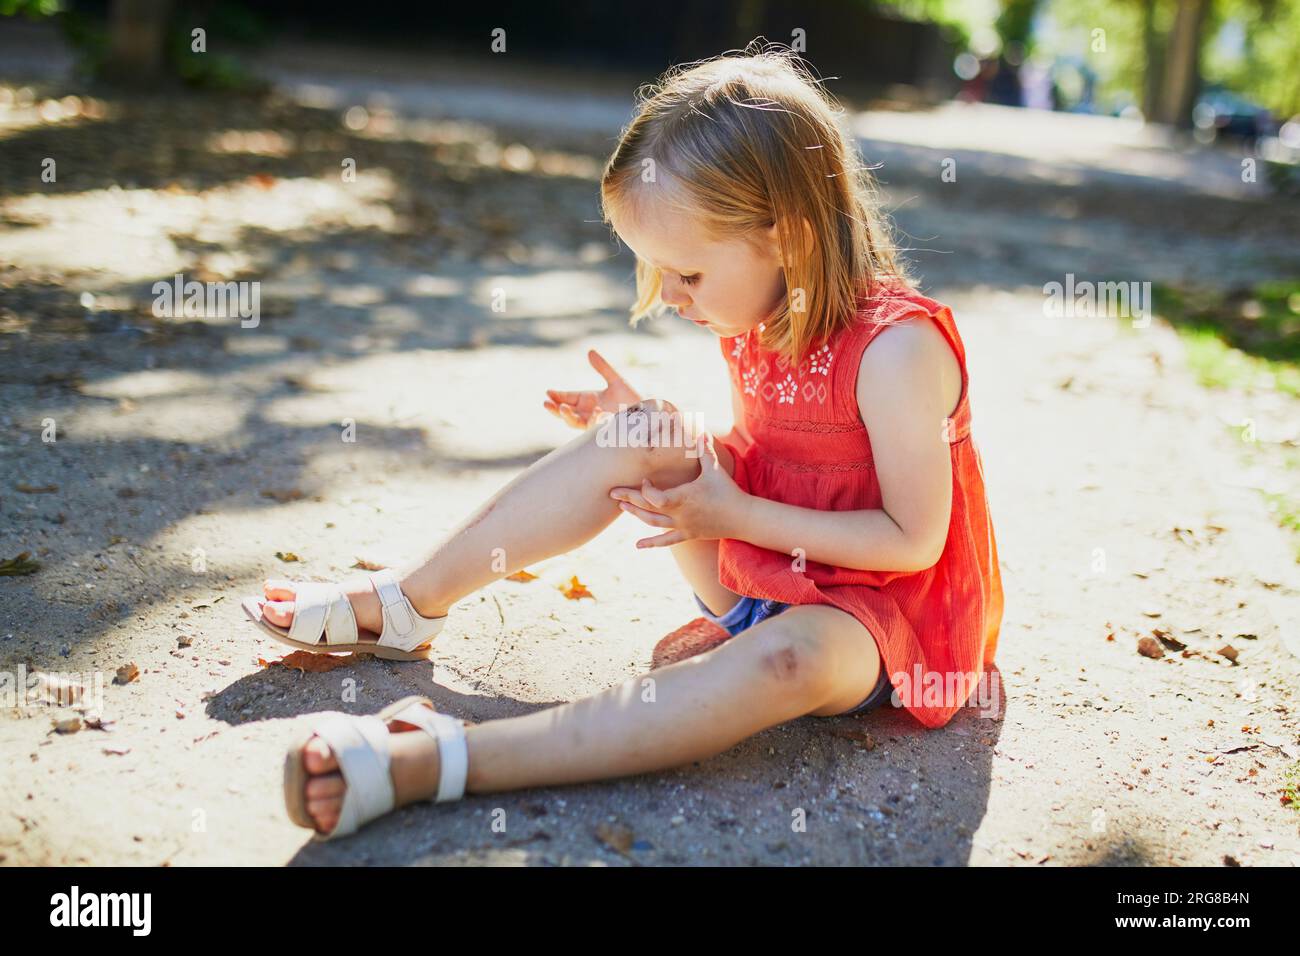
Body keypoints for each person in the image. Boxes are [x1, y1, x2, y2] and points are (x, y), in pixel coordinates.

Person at [243, 42, 1004, 841]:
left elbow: (913, 541)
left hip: (879, 623)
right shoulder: (759, 305)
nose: (671, 297)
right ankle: (405, 604)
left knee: (793, 661)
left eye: (688, 275)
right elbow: (794, 453)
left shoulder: (897, 351)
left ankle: (445, 758)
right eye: (655, 271)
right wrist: (659, 434)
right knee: (646, 429)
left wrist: (733, 513)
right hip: (767, 567)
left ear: (786, 235)